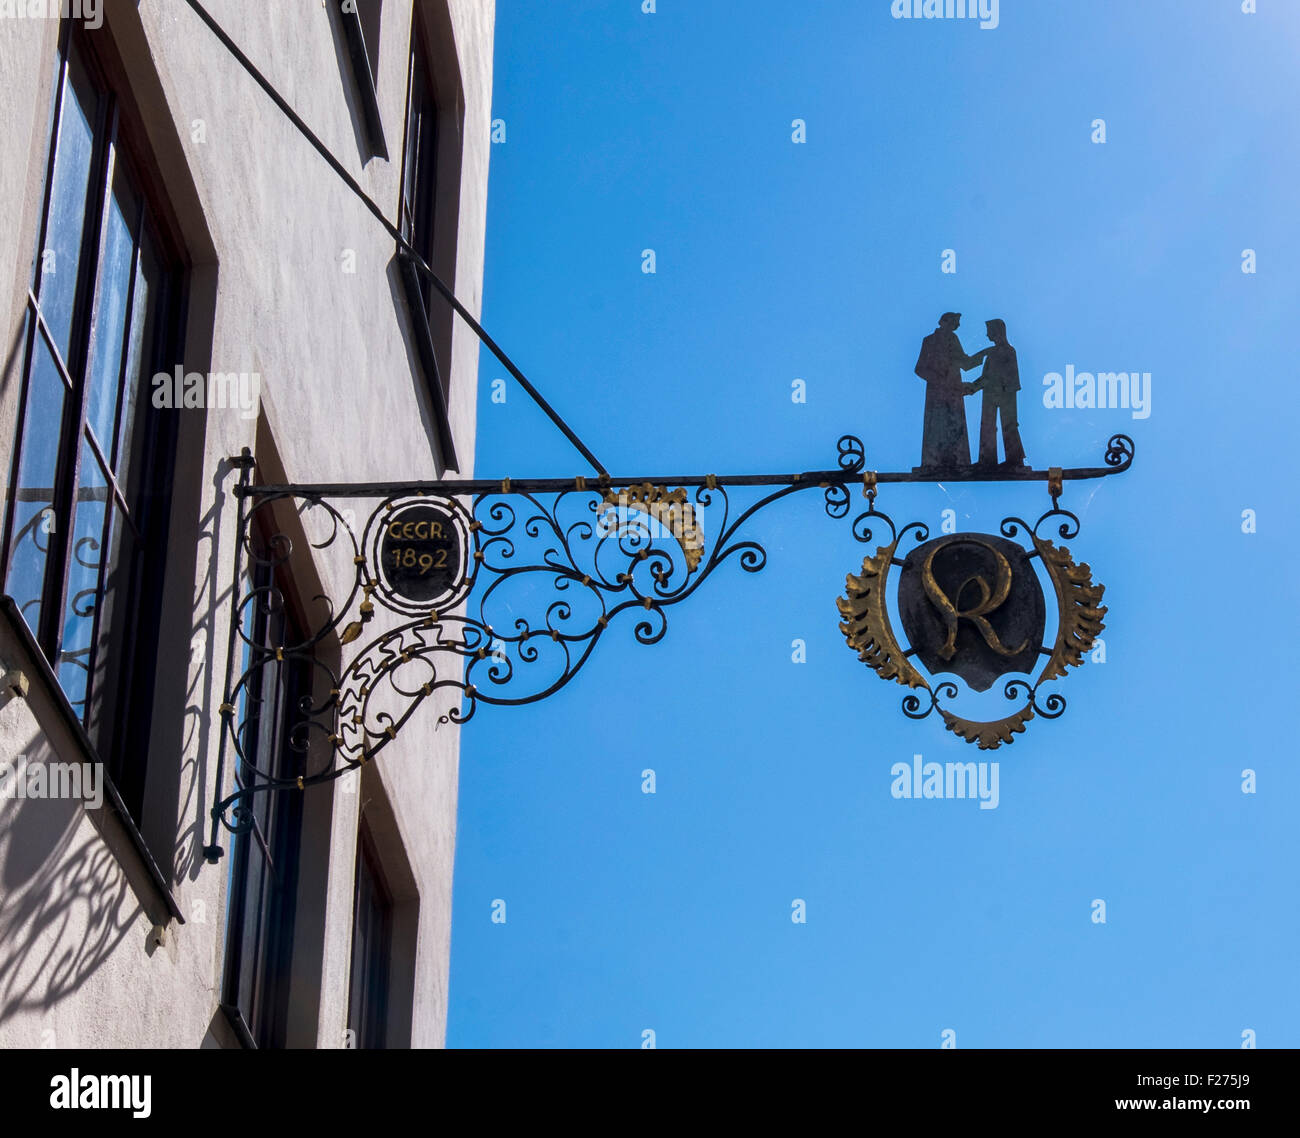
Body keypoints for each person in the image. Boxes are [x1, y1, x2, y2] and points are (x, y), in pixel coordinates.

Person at [913, 313, 985, 472]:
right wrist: (940, 380)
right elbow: (919, 368)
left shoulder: (953, 339)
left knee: (955, 426)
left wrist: (984, 355)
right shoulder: (929, 341)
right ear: (945, 322)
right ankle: (933, 463)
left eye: (957, 324)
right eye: (955, 322)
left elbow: (965, 363)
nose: (957, 326)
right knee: (937, 427)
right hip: (937, 396)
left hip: (953, 394)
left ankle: (958, 462)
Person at [963, 318, 1026, 470]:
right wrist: (973, 387)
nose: (987, 335)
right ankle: (987, 460)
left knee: (1008, 426)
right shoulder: (994, 352)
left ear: (997, 332)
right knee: (988, 425)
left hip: (1004, 394)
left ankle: (1015, 460)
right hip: (992, 393)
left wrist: (973, 387)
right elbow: (988, 376)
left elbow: (992, 377)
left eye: (989, 331)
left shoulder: (1006, 351)